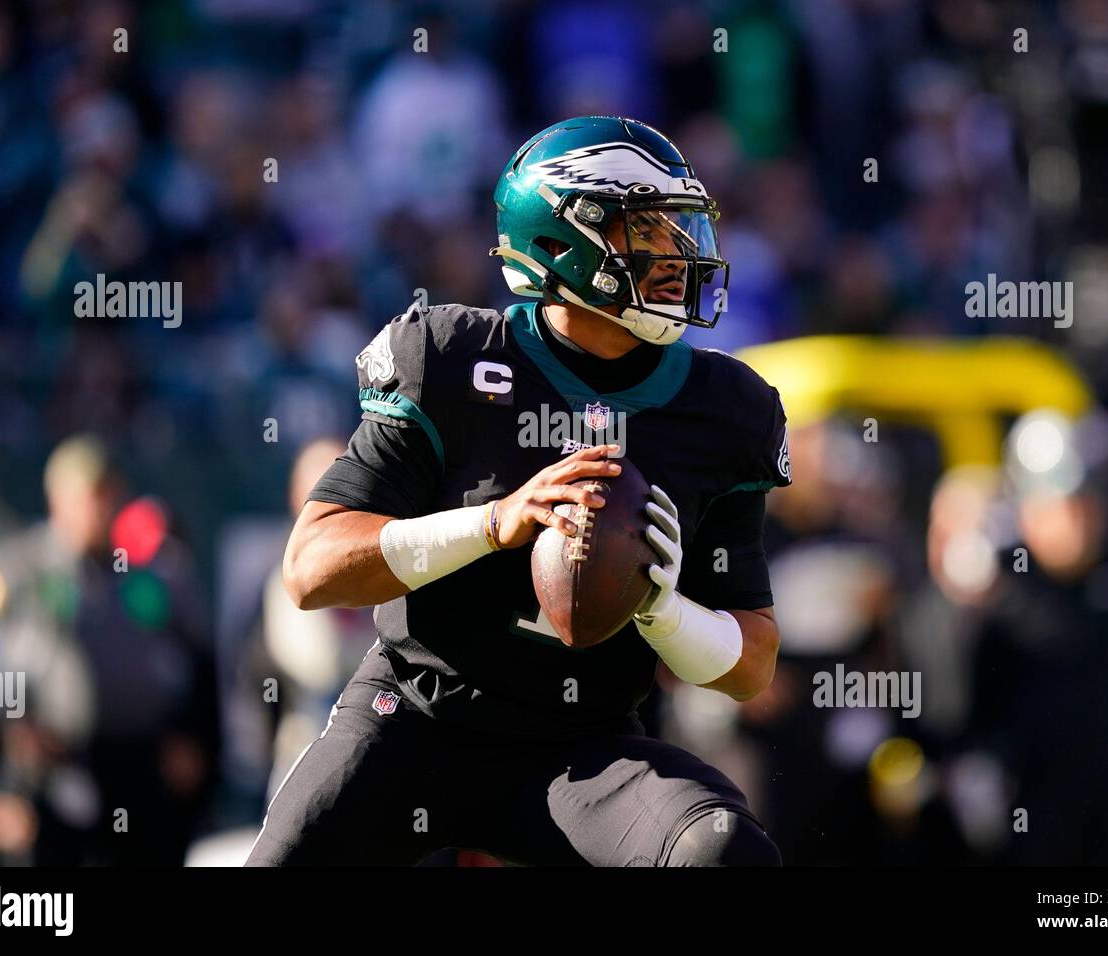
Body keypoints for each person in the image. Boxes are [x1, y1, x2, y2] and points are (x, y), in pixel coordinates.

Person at [247, 117, 790, 866]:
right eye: (650, 233)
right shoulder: (450, 359)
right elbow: (311, 570)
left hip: (585, 749)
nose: (679, 256)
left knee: (721, 851)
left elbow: (753, 663)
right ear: (563, 244)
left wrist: (663, 608)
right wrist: (494, 522)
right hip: (415, 716)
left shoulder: (724, 409)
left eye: (682, 230)